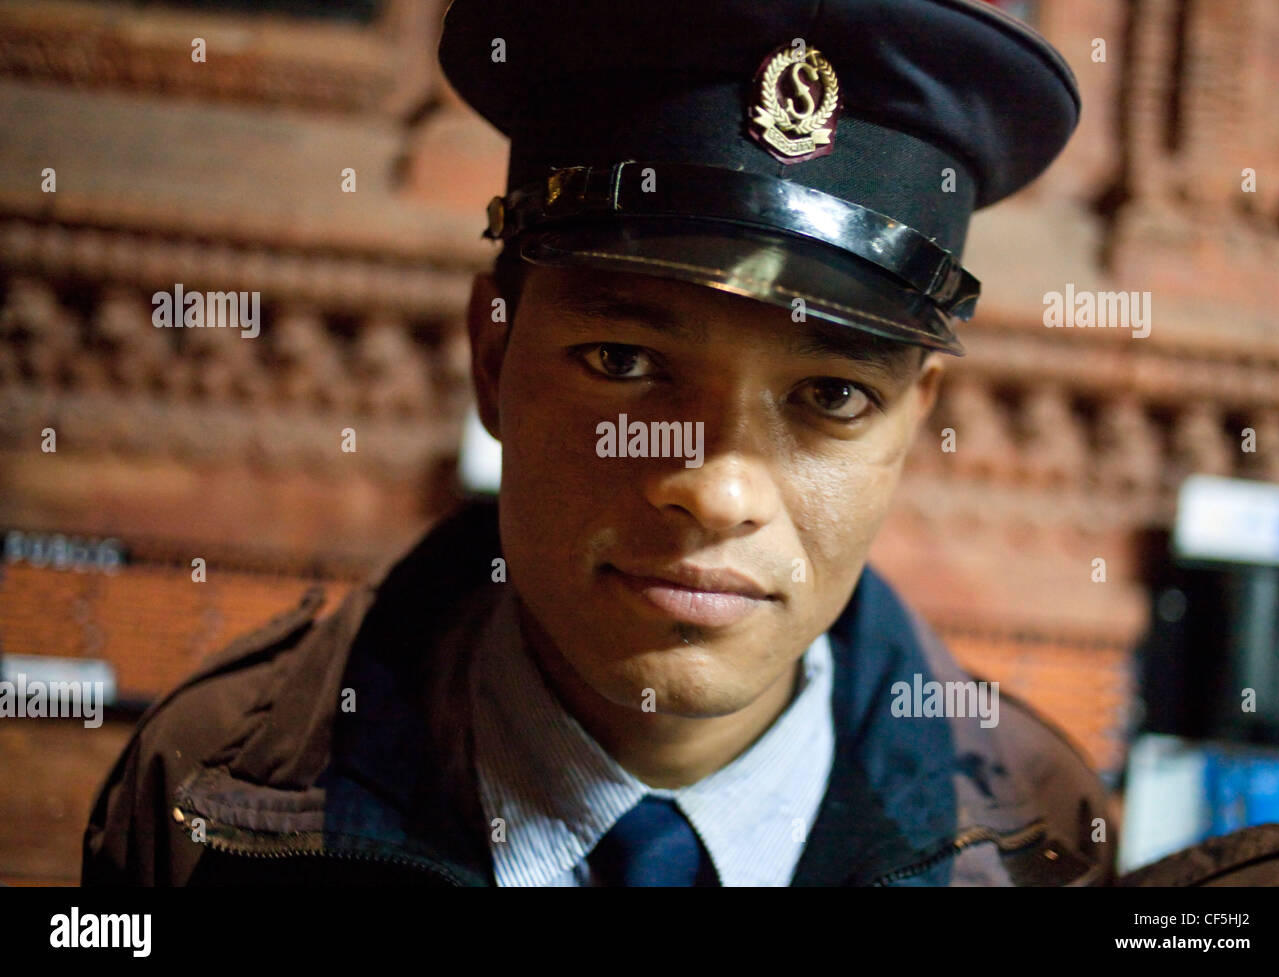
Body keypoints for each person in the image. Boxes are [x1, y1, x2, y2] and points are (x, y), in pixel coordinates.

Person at [83, 0, 1141, 886]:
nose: (718, 489)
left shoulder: (1032, 836)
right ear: (493, 357)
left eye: (829, 394)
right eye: (624, 363)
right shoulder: (214, 796)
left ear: (914, 421)